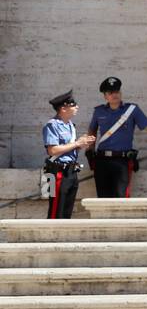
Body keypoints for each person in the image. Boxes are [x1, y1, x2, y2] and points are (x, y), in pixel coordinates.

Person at [87, 77, 147, 198]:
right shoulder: (99, 111)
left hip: (122, 160)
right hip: (102, 160)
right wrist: (90, 150)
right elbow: (92, 131)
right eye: (110, 93)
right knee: (102, 197)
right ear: (105, 96)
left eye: (117, 91)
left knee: (121, 197)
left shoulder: (132, 110)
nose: (114, 95)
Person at [42, 91, 93, 219]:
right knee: (56, 210)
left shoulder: (70, 125)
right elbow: (52, 150)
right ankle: (51, 236)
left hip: (71, 171)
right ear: (63, 108)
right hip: (57, 172)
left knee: (67, 209)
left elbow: (69, 150)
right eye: (73, 104)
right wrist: (77, 143)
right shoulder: (52, 125)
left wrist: (82, 144)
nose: (77, 107)